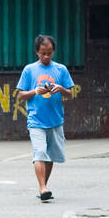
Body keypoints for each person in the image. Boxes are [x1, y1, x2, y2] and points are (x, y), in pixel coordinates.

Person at [16, 34, 74, 202]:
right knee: (40, 152)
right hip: (36, 120)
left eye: (49, 53)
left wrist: (61, 89)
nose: (46, 56)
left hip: (56, 120)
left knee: (51, 156)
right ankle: (42, 188)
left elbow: (70, 94)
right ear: (37, 52)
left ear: (53, 51)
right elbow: (21, 95)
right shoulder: (29, 70)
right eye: (43, 53)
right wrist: (35, 91)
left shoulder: (61, 70)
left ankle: (44, 186)